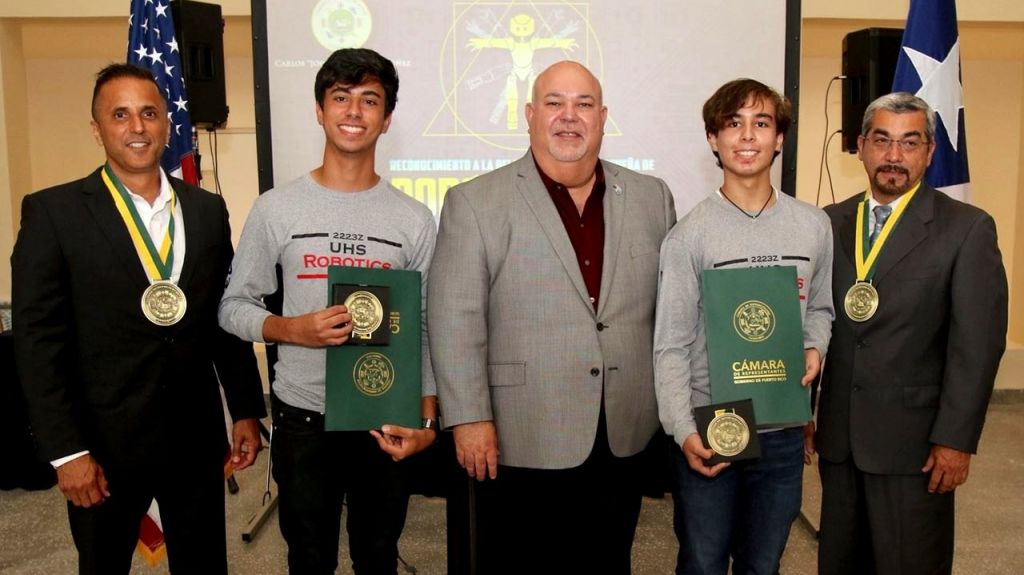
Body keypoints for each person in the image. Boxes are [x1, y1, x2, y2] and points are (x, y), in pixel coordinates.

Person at [11, 63, 265, 575]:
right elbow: (38, 343)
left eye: (149, 113)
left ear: (167, 124)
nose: (137, 127)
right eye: (120, 114)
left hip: (193, 440)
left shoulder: (206, 210)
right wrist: (66, 452)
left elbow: (223, 316)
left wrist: (244, 408)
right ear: (97, 129)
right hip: (102, 448)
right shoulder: (54, 213)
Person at [429, 60, 676, 573]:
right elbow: (454, 319)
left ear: (603, 117)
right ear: (530, 115)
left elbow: (670, 312)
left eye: (584, 104)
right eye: (554, 103)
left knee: (609, 562)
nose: (570, 116)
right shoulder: (474, 202)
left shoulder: (652, 196)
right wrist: (469, 417)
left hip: (623, 431)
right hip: (522, 433)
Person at [218, 48, 438, 575]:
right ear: (320, 110)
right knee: (308, 559)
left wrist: (427, 419)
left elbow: (425, 328)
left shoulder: (413, 220)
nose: (354, 111)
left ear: (387, 119)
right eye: (341, 97)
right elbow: (232, 308)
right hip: (303, 417)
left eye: (370, 100)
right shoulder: (276, 208)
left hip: (383, 417)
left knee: (377, 558)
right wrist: (289, 329)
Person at [815, 92, 1008, 575]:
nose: (894, 156)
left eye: (909, 142)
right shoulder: (828, 223)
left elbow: (977, 347)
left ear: (930, 151)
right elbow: (814, 322)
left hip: (916, 447)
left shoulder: (966, 229)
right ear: (861, 146)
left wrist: (956, 440)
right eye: (882, 140)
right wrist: (801, 409)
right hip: (839, 442)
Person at [653, 78, 834, 575]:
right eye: (733, 124)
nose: (748, 136)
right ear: (713, 139)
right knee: (703, 563)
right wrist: (683, 430)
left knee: (763, 564)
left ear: (780, 138)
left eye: (762, 123)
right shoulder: (688, 236)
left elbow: (821, 309)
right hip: (713, 423)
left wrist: (815, 346)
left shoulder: (814, 226)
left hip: (783, 427)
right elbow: (670, 346)